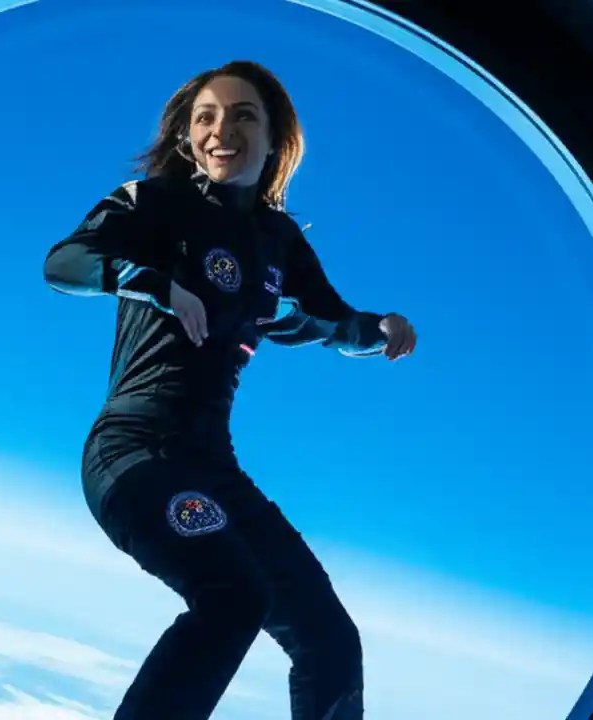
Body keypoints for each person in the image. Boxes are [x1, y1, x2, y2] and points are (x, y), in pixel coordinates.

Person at [43, 59, 417, 720]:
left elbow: (332, 323)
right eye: (207, 117)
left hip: (214, 468)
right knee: (231, 596)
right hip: (135, 451)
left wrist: (380, 328)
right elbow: (64, 264)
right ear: (188, 138)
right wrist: (153, 280)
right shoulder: (154, 202)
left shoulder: (279, 240)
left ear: (276, 139)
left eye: (244, 115)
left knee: (330, 640)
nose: (223, 129)